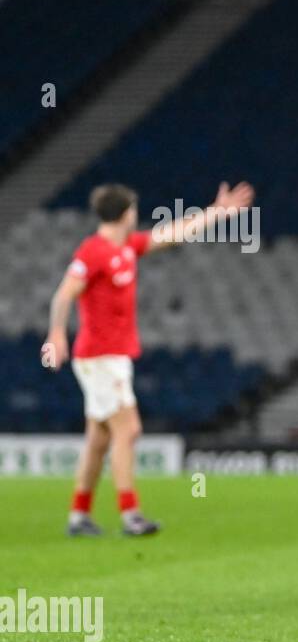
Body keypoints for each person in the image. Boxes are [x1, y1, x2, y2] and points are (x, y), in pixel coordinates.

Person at [45, 180, 255, 536]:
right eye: (134, 210)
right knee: (129, 431)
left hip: (111, 358)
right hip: (99, 358)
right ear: (126, 213)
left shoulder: (126, 246)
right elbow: (64, 293)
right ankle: (131, 515)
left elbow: (172, 235)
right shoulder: (93, 251)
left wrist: (217, 213)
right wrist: (55, 335)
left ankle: (79, 516)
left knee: (99, 439)